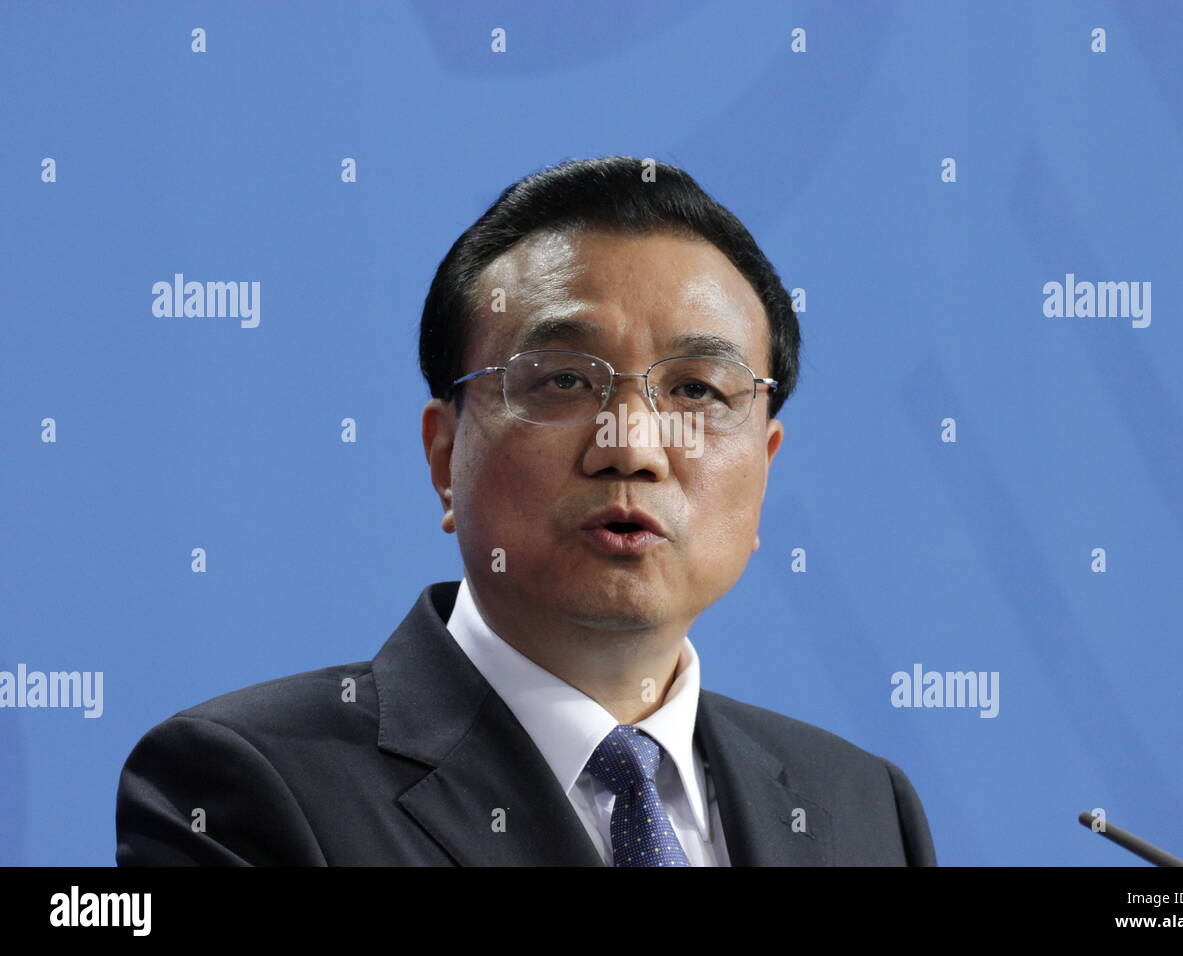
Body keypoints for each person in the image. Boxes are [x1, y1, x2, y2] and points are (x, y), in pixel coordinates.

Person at [115, 156, 937, 866]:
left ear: (764, 466)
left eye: (696, 389)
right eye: (564, 381)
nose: (631, 447)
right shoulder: (251, 782)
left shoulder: (862, 809)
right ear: (445, 457)